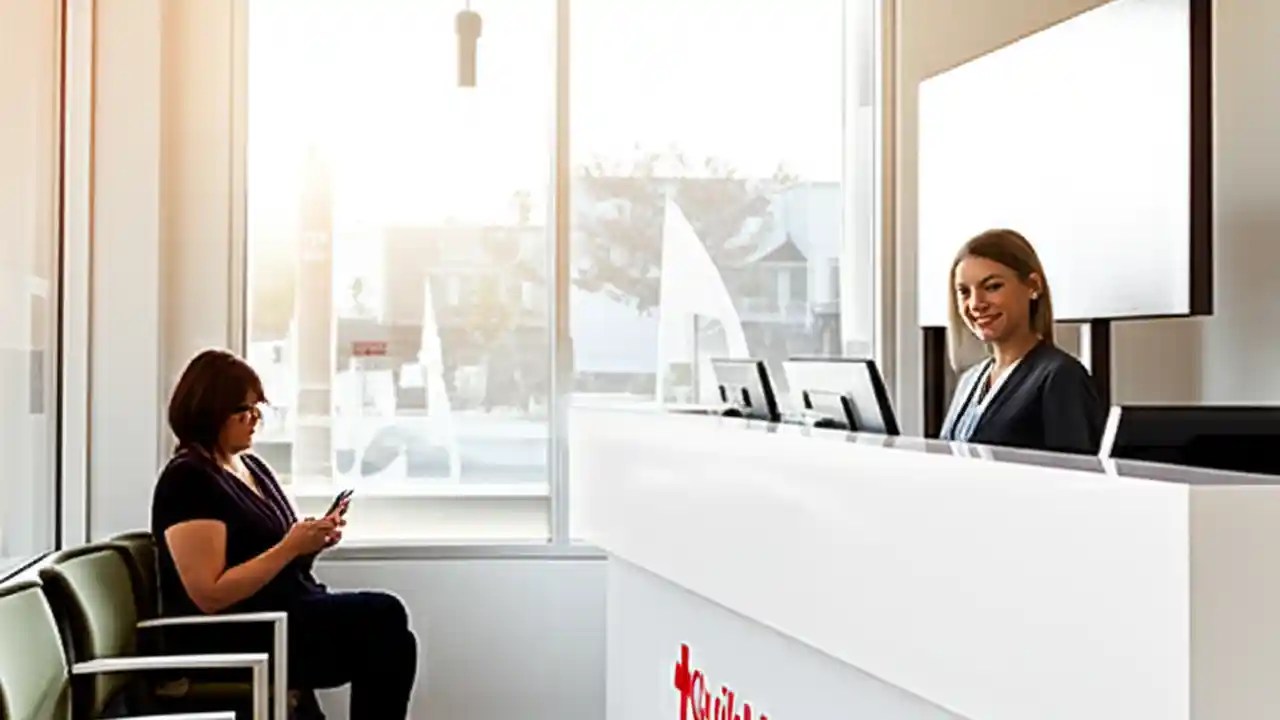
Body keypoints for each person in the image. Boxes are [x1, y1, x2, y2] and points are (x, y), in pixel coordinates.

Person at [151, 349, 417, 718]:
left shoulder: (251, 467)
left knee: (393, 639)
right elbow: (209, 595)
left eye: (258, 407)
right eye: (244, 410)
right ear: (211, 412)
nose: (255, 418)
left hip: (287, 612)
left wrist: (310, 544)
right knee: (385, 619)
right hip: (244, 630)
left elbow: (273, 552)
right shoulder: (189, 479)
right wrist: (290, 547)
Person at [939, 229, 1105, 454]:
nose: (976, 304)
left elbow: (1075, 478)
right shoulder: (970, 380)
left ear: (1033, 286)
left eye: (992, 287)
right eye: (964, 292)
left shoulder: (1060, 377)